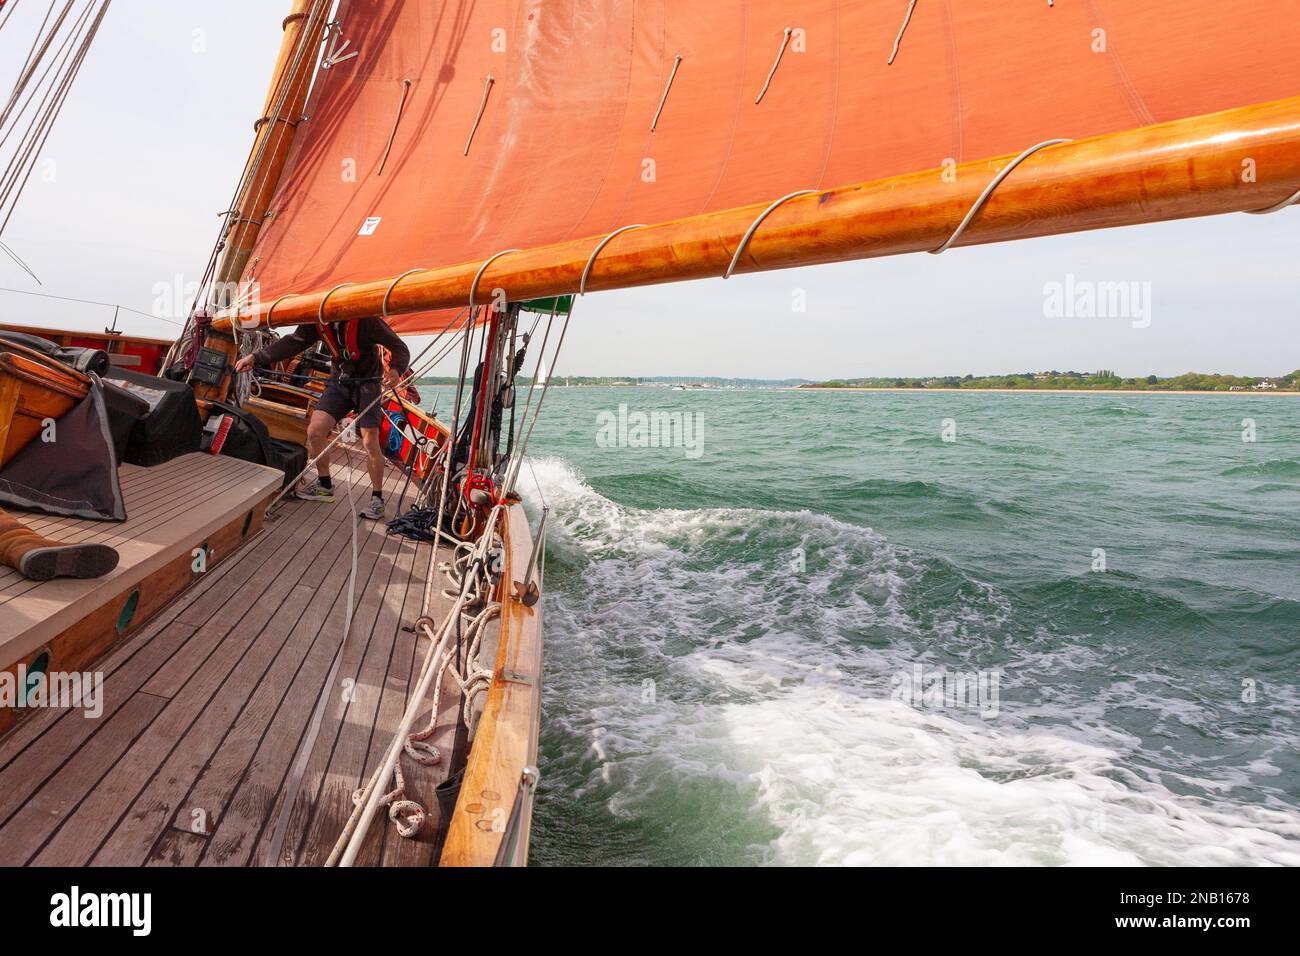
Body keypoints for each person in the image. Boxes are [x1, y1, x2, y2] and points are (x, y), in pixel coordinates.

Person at [234, 316, 411, 520]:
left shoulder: (366, 320)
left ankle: (377, 499)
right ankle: (325, 485)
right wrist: (256, 357)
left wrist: (396, 369)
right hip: (340, 383)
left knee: (370, 440)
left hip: (368, 383)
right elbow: (292, 342)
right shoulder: (316, 322)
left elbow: (400, 347)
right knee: (315, 431)